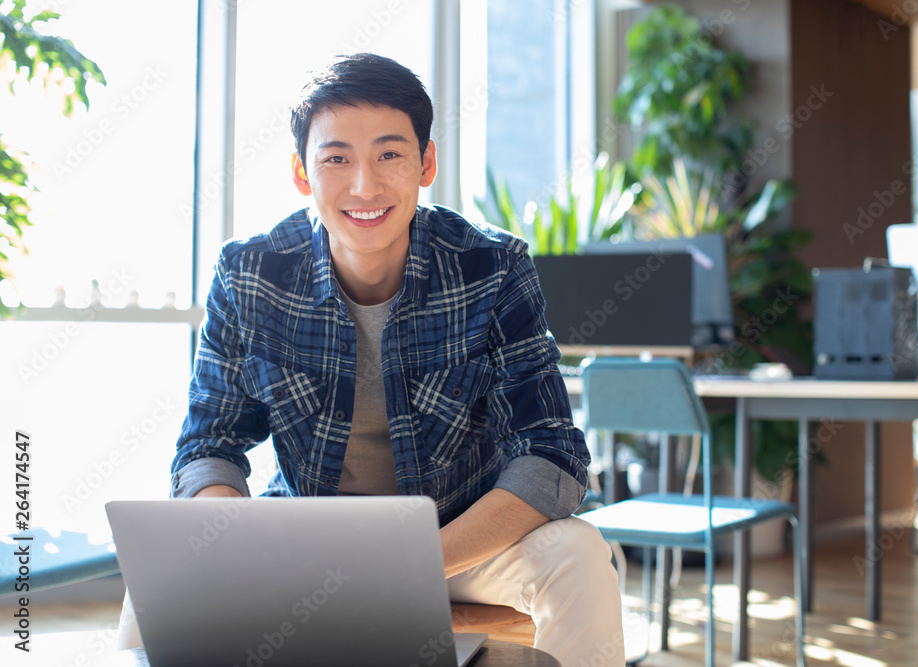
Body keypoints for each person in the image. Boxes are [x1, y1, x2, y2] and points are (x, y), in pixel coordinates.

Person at [118, 52, 625, 667]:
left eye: (389, 154)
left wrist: (407, 565)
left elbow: (551, 455)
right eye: (336, 159)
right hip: (303, 545)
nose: (364, 185)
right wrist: (237, 552)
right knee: (154, 583)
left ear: (426, 163)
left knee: (579, 553)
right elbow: (207, 446)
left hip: (458, 543)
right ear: (303, 172)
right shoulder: (249, 273)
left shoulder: (494, 267)